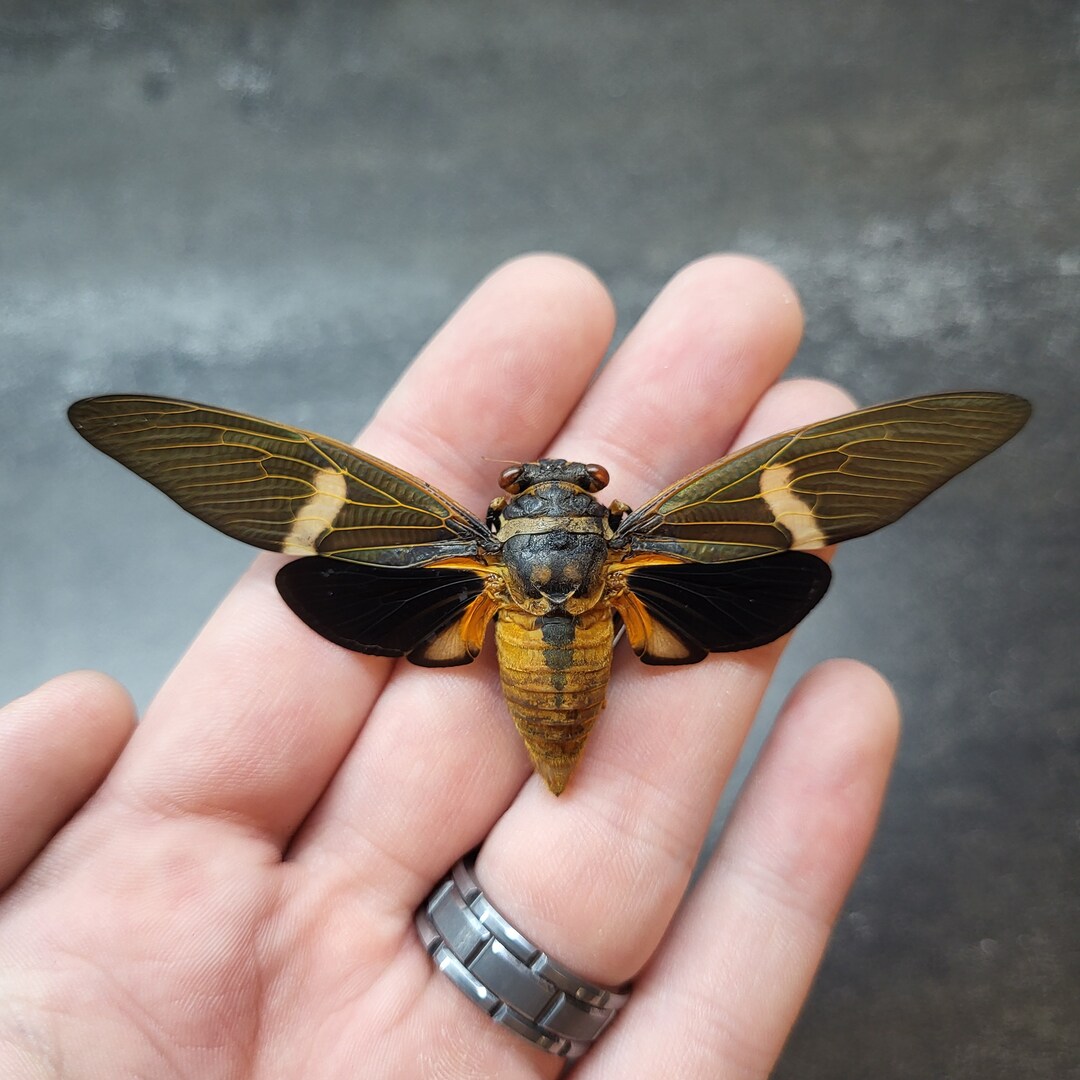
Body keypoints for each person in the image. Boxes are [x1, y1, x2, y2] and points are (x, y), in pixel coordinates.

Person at [0, 254, 899, 1078]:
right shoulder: (630, 538)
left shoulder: (479, 543)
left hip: (486, 621)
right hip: (624, 614)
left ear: (504, 514)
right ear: (602, 507)